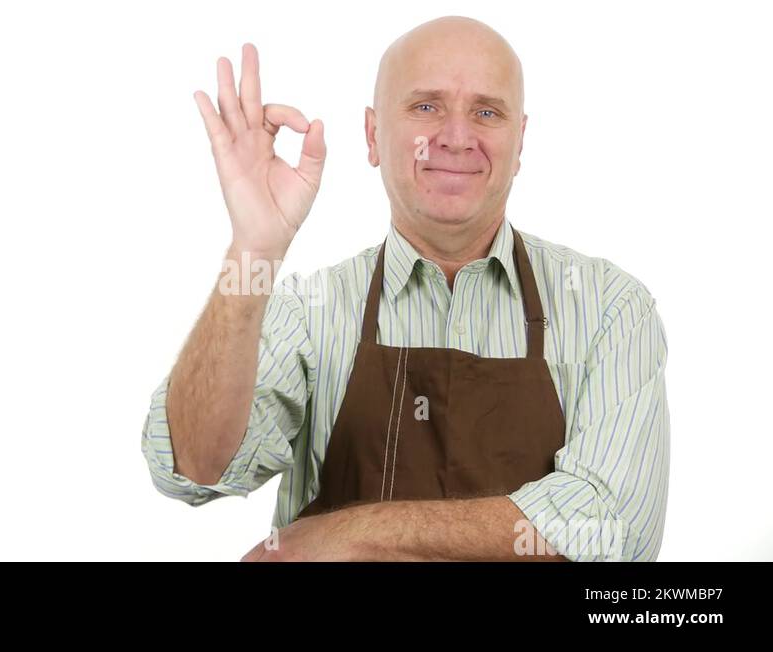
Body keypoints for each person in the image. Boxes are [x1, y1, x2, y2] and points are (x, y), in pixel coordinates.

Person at [141, 16, 669, 562]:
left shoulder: (609, 306)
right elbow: (190, 467)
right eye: (426, 107)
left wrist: (345, 535)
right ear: (372, 136)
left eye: (486, 112)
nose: (457, 138)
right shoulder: (310, 313)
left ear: (519, 142)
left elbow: (611, 528)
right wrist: (253, 246)